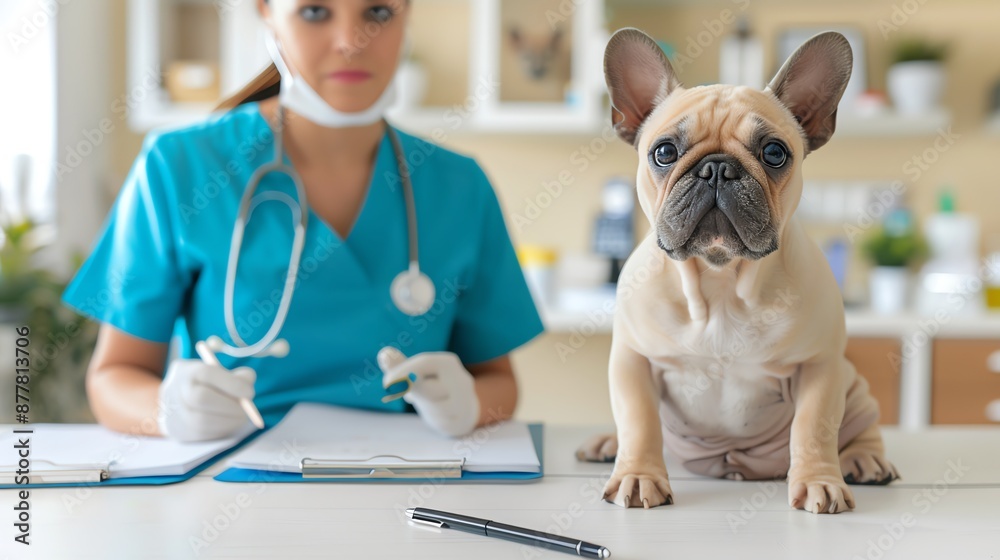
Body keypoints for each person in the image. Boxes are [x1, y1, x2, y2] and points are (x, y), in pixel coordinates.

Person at [62, 0, 543, 442]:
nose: (350, 41)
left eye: (378, 12)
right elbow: (113, 377)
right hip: (228, 478)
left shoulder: (459, 186)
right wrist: (168, 412)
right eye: (314, 12)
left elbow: (499, 382)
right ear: (267, 13)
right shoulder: (178, 166)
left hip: (404, 481)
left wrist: (468, 405)